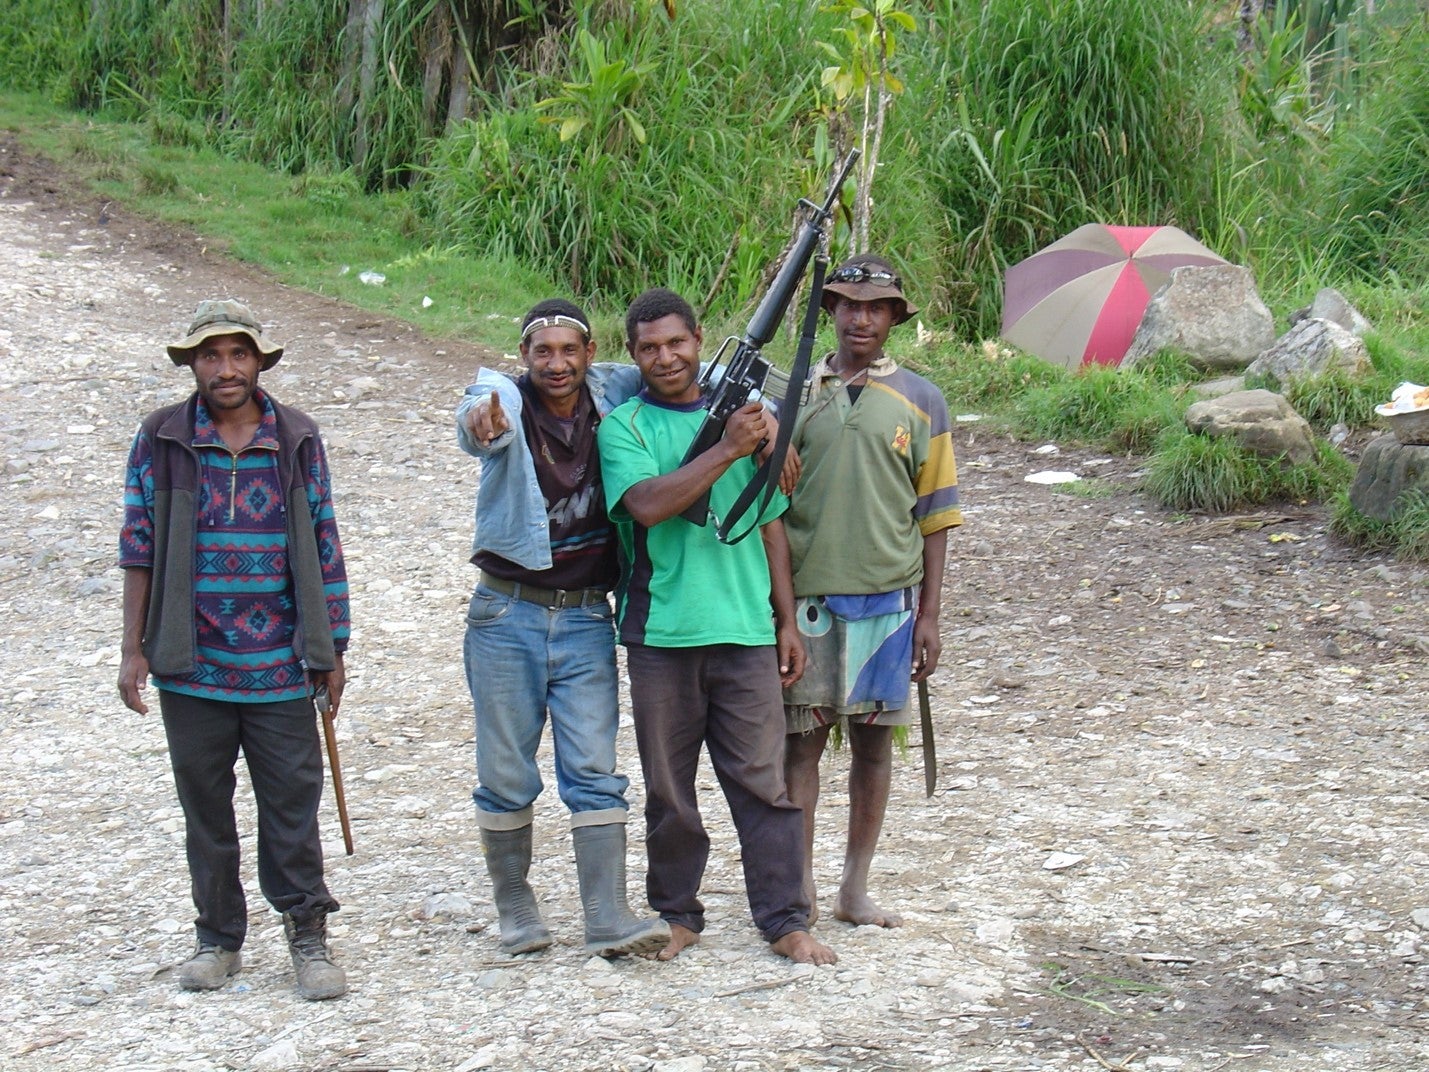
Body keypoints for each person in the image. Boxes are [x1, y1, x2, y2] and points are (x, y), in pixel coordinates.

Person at [117, 299, 350, 1000]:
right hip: (191, 664)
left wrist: (332, 647)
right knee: (206, 812)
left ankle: (307, 936)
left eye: (238, 354)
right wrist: (133, 648)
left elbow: (326, 542)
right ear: (191, 364)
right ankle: (218, 939)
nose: (225, 369)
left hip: (281, 664)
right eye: (210, 356)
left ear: (259, 362)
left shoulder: (297, 438)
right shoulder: (161, 438)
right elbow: (138, 545)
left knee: (291, 807)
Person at [596, 287, 836, 966]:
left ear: (699, 339)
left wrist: (785, 621)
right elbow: (645, 505)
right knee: (668, 792)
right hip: (661, 636)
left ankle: (785, 920)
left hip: (745, 633)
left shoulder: (750, 421)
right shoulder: (625, 428)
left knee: (765, 784)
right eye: (648, 348)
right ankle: (677, 914)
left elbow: (770, 525)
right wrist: (730, 448)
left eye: (676, 342)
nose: (665, 358)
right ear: (633, 354)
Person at [455, 299, 668, 958]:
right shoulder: (505, 400)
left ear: (588, 352)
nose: (556, 363)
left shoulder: (612, 387)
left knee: (594, 767)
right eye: (541, 352)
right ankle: (516, 908)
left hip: (583, 615)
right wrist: (479, 418)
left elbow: (692, 377)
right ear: (524, 357)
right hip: (505, 612)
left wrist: (769, 418)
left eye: (567, 350)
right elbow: (476, 416)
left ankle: (606, 915)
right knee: (506, 769)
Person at [782, 254, 962, 929]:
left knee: (873, 745)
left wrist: (930, 617)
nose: (861, 318)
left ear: (893, 318)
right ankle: (795, 892)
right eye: (848, 304)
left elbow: (936, 514)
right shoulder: (794, 391)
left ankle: (854, 887)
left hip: (888, 601)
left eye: (875, 307)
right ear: (829, 311)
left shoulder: (921, 400)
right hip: (808, 602)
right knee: (799, 746)